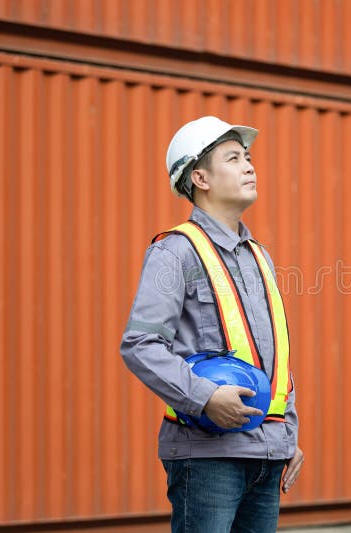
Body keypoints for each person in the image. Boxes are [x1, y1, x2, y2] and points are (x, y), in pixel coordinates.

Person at [120, 116, 304, 533]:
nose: (249, 166)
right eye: (234, 158)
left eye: (249, 157)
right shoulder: (175, 252)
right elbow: (140, 344)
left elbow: (273, 356)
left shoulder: (259, 256)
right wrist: (205, 398)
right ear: (200, 177)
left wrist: (286, 433)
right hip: (207, 460)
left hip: (266, 455)